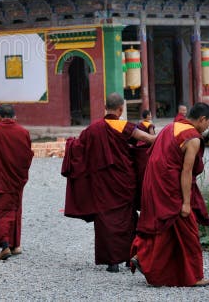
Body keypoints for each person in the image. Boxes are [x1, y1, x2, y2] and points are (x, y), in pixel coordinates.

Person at [62, 92, 155, 272]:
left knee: (105, 219)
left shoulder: (93, 129)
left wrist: (70, 144)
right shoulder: (124, 126)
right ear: (121, 109)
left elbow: (77, 148)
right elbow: (149, 140)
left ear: (105, 108)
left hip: (102, 184)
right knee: (128, 218)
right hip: (123, 181)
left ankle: (112, 262)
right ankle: (130, 257)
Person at [130, 102, 209, 287]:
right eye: (208, 123)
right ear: (201, 119)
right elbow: (187, 172)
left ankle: (142, 255)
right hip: (170, 187)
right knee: (189, 230)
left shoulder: (170, 127)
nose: (208, 127)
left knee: (165, 226)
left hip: (153, 183)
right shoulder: (192, 138)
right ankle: (195, 276)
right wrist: (186, 203)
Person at [0, 103, 33, 260]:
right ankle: (14, 245)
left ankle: (4, 245)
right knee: (13, 210)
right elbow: (27, 156)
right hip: (16, 180)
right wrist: (21, 175)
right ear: (15, 116)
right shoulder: (23, 132)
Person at [131, 109, 156, 211]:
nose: (150, 116)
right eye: (149, 115)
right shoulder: (149, 125)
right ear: (147, 116)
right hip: (146, 150)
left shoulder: (139, 124)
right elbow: (152, 137)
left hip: (138, 150)